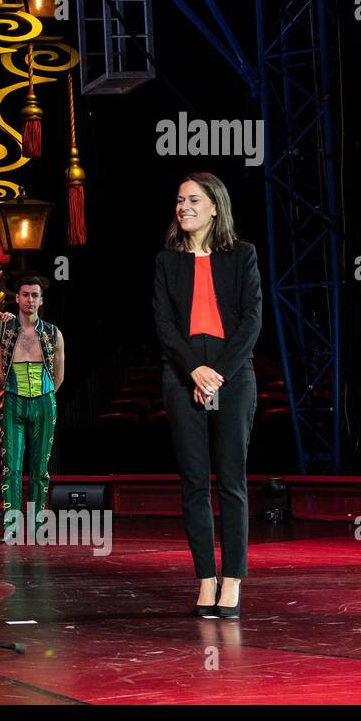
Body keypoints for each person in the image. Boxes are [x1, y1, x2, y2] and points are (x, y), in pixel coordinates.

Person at [154, 172, 261, 620]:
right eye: (180, 200)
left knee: (231, 481)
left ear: (216, 206)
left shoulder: (243, 255)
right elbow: (163, 324)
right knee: (194, 482)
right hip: (183, 372)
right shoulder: (166, 260)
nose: (184, 207)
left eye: (194, 200)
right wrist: (193, 370)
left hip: (231, 373)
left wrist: (215, 372)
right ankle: (205, 578)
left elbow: (252, 320)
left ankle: (233, 577)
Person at [0, 276, 63, 540]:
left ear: (41, 300)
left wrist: (46, 394)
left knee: (39, 467)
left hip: (44, 400)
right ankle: (10, 527)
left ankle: (37, 527)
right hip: (14, 399)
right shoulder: (4, 330)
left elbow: (60, 373)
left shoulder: (53, 332)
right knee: (11, 466)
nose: (29, 300)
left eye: (35, 295)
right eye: (25, 295)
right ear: (17, 298)